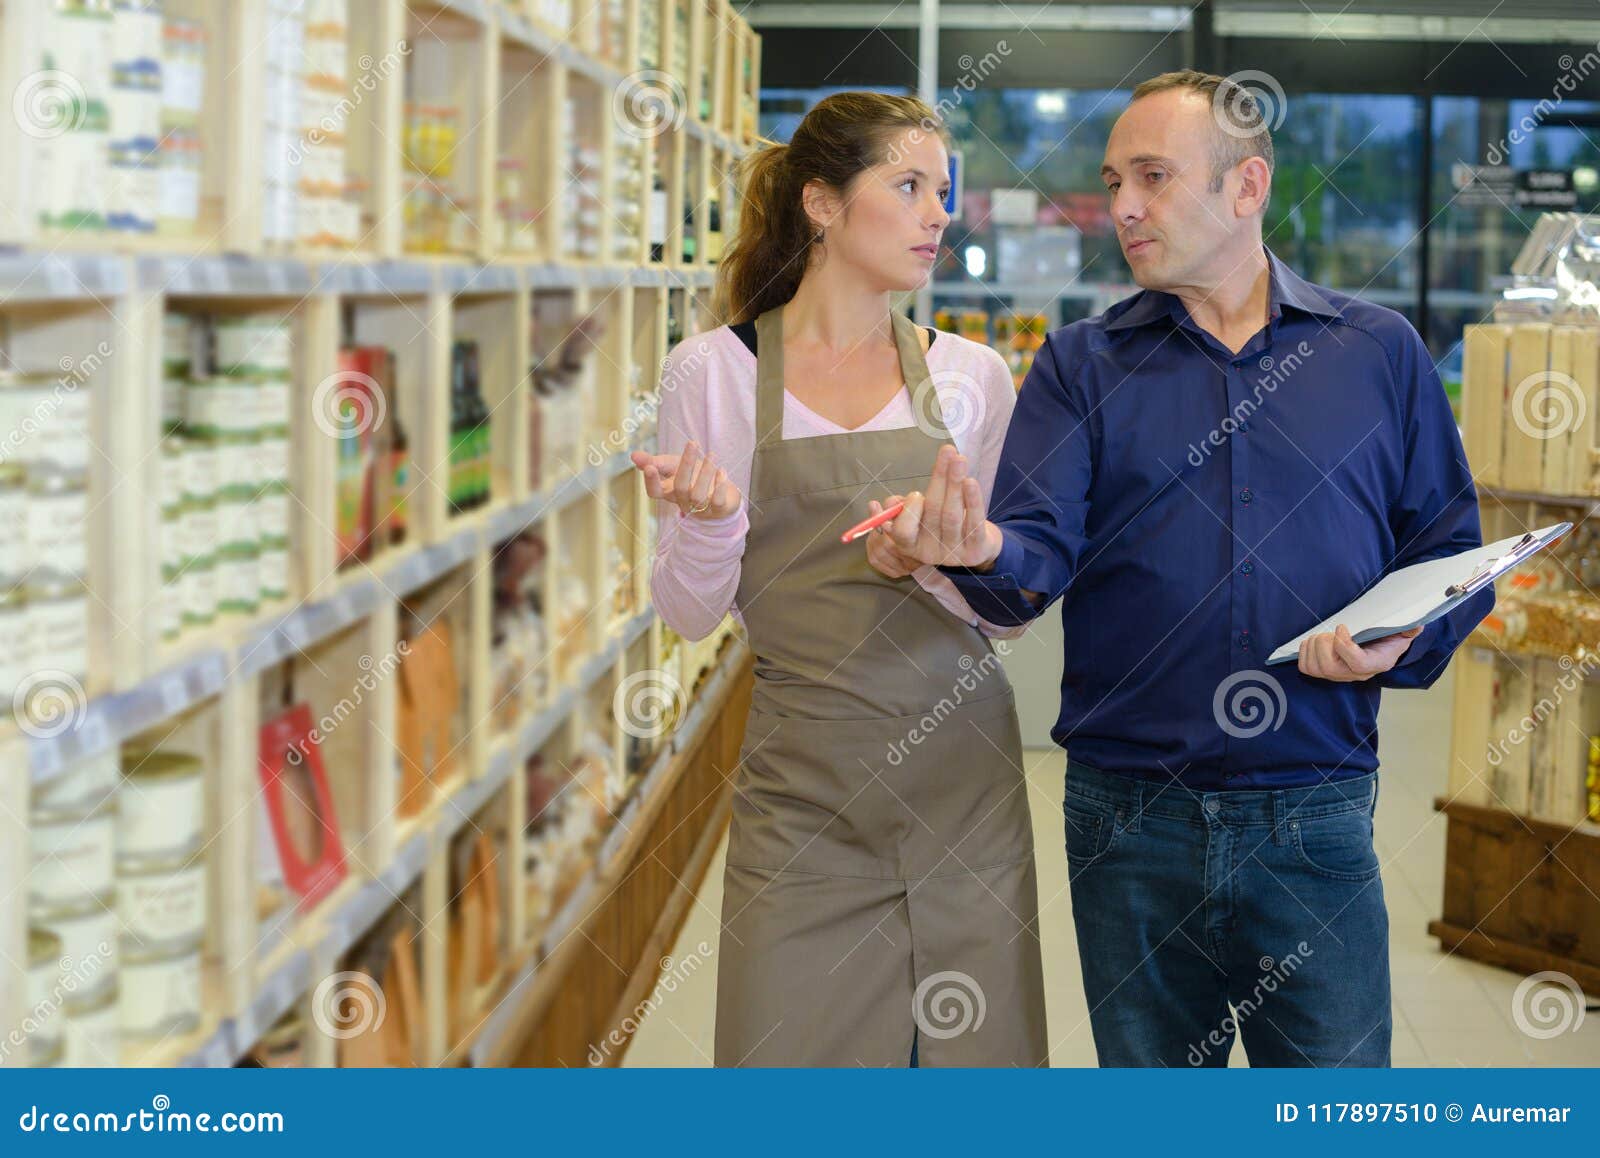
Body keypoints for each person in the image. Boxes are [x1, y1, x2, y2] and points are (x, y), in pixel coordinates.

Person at [874, 70, 1494, 1067]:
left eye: (1152, 178)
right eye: (1114, 179)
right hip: (1129, 821)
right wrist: (980, 549)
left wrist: (1398, 644)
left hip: (1314, 811)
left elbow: (1450, 556)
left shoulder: (1378, 353)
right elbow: (1032, 556)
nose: (1121, 205)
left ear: (1246, 188)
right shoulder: (1081, 364)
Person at [632, 92, 1047, 1067]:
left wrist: (943, 562)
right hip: (804, 805)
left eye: (941, 192)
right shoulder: (714, 373)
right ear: (820, 204)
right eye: (906, 187)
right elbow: (689, 617)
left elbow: (1008, 619)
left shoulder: (974, 377)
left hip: (965, 795)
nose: (936, 214)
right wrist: (710, 521)